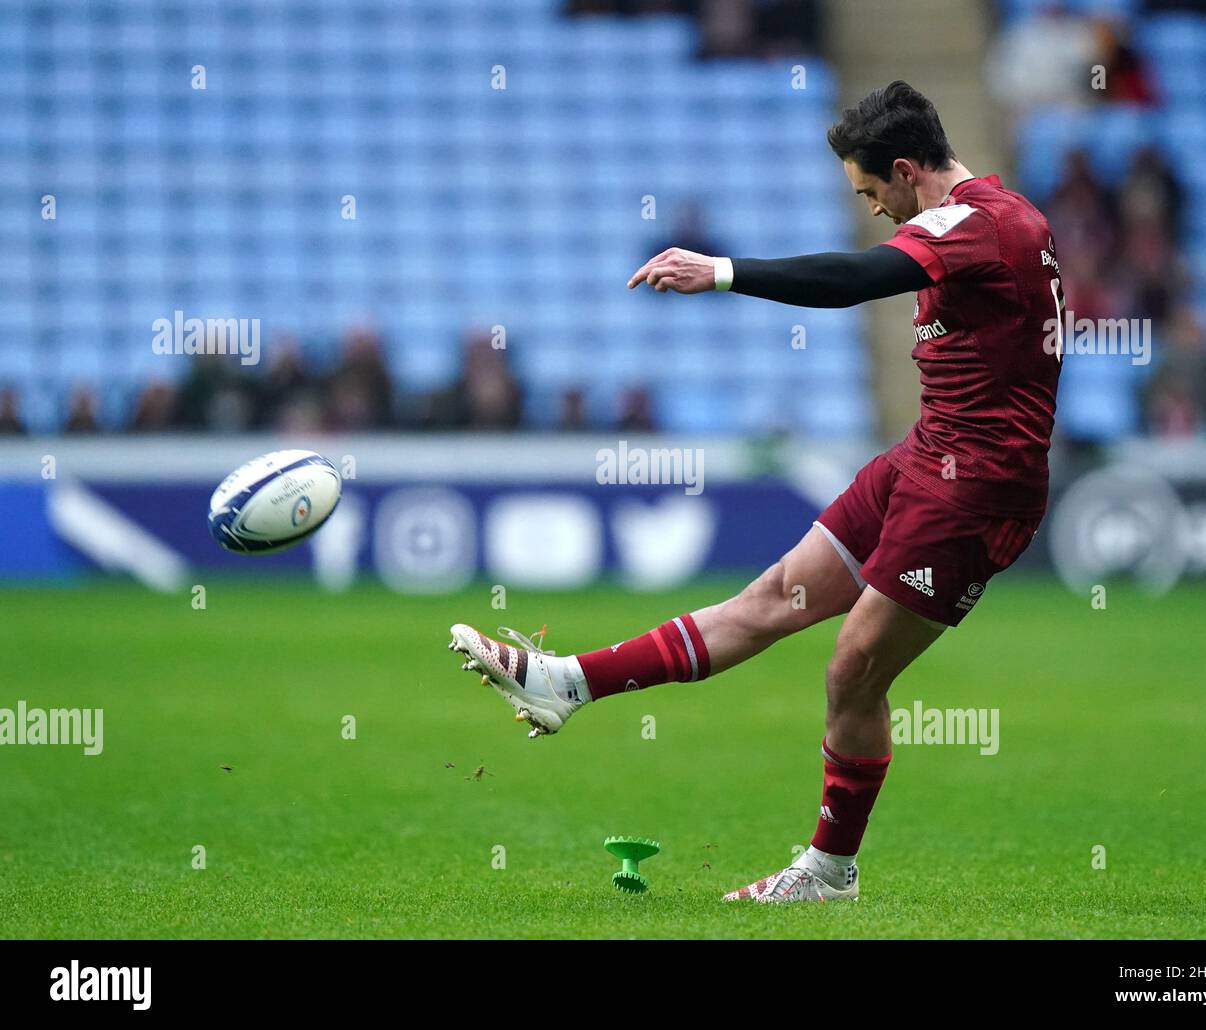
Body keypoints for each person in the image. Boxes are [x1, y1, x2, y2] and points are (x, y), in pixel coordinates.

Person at [448, 82, 1064, 903]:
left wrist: (725, 272)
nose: (875, 209)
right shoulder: (998, 219)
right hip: (927, 455)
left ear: (908, 170)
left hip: (977, 489)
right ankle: (566, 682)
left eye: (871, 191)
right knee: (772, 598)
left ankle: (829, 873)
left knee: (853, 671)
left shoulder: (977, 225)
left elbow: (857, 278)